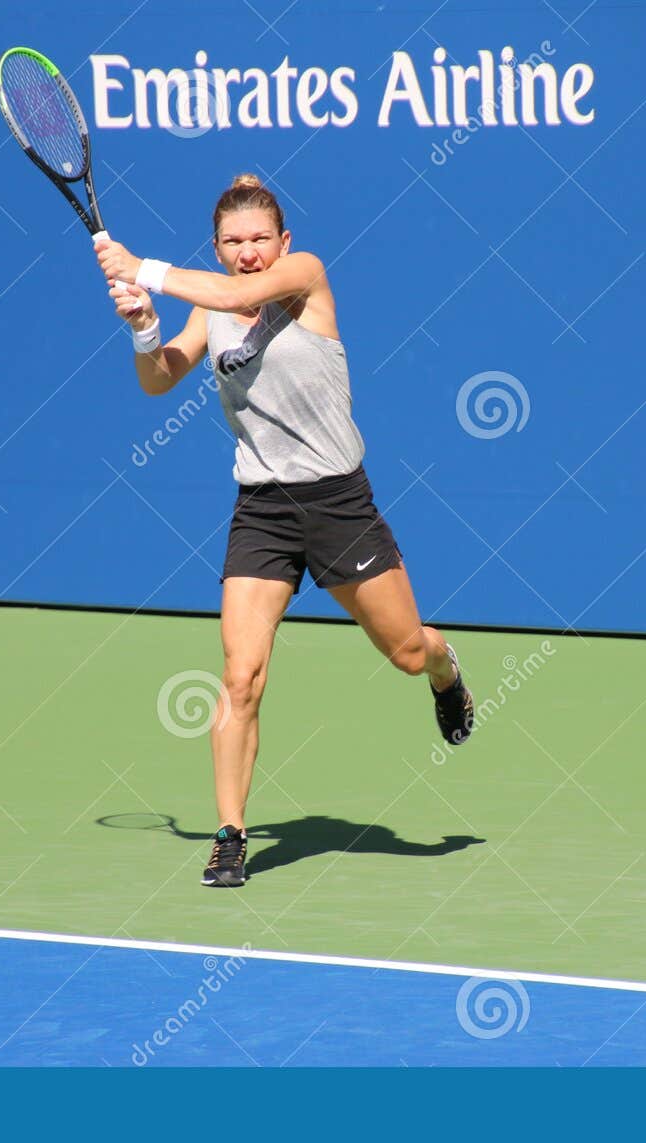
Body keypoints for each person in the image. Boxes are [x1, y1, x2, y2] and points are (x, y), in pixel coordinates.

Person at [95, 174, 474, 888]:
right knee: (240, 677)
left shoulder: (304, 277)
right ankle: (230, 834)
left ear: (284, 242)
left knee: (406, 651)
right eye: (233, 242)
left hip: (339, 504)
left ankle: (446, 669)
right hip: (262, 508)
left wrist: (142, 267)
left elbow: (231, 296)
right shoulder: (210, 306)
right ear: (216, 247)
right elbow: (159, 378)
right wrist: (144, 328)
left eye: (259, 239)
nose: (247, 253)